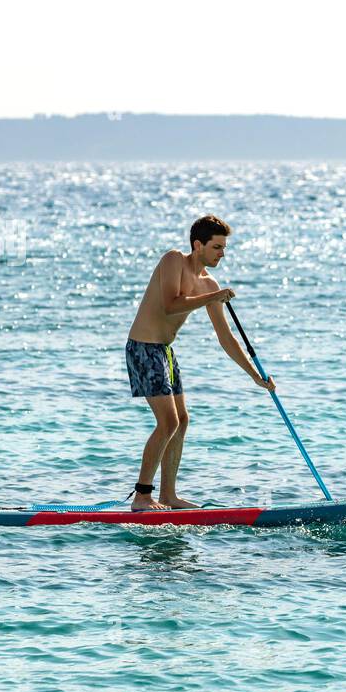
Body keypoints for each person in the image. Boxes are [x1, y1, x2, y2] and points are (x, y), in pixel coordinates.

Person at [124, 215, 274, 510]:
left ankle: (168, 495)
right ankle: (142, 496)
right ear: (198, 245)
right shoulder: (173, 261)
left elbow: (226, 338)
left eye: (224, 248)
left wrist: (254, 376)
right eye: (217, 247)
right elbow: (170, 305)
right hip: (143, 348)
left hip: (165, 351)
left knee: (182, 421)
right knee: (168, 422)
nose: (222, 253)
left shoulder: (209, 284)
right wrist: (213, 297)